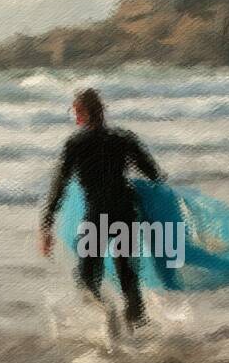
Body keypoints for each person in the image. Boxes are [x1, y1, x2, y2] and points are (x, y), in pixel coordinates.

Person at [40, 88, 164, 329]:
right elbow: (154, 174)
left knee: (87, 276)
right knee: (127, 273)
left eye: (76, 111)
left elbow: (60, 184)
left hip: (98, 215)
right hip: (125, 211)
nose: (75, 117)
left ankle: (108, 316)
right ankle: (138, 329)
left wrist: (46, 224)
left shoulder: (76, 144)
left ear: (84, 113)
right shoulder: (124, 139)